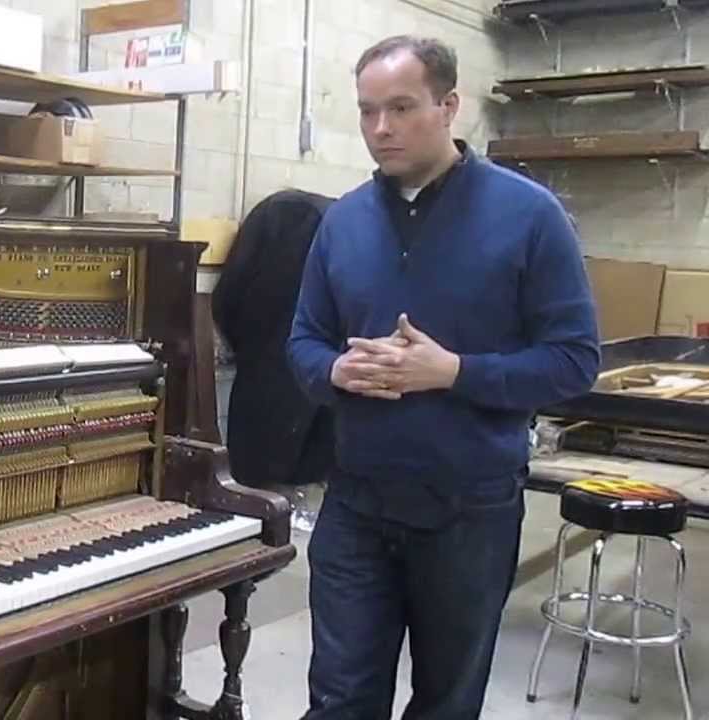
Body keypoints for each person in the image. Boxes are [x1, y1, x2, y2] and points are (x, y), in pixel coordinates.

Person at [286, 35, 600, 719]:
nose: (381, 129)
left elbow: (575, 361)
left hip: (470, 510)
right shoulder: (341, 223)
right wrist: (335, 369)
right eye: (368, 111)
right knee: (339, 699)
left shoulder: (529, 216)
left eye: (401, 108)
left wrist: (452, 371)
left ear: (450, 105)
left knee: (447, 703)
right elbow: (302, 342)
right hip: (356, 504)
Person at [212, 190, 336, 529]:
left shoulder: (294, 217)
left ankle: (263, 502)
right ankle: (276, 502)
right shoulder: (312, 221)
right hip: (295, 357)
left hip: (274, 355)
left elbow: (228, 299)